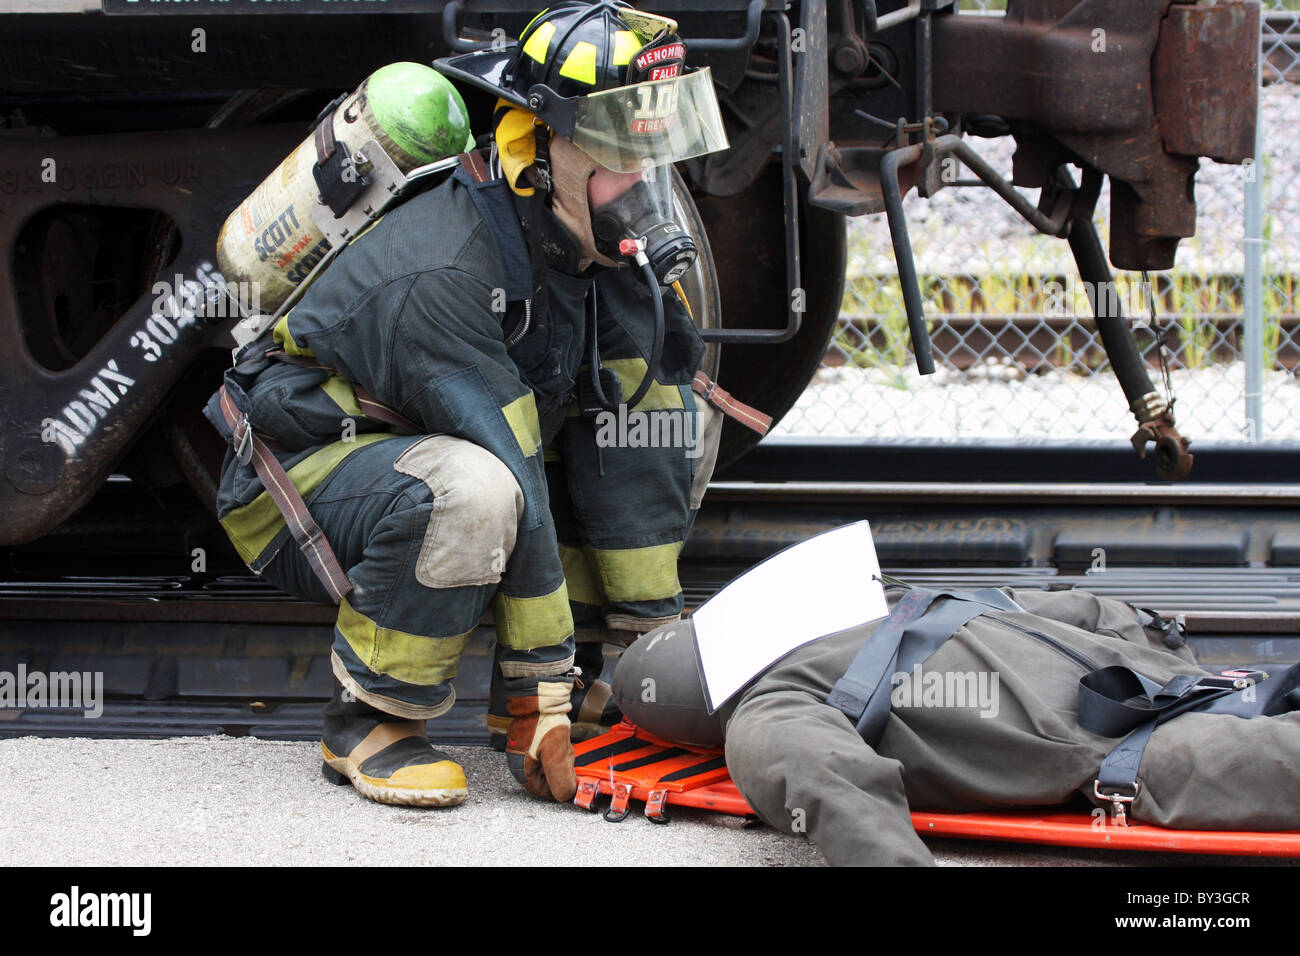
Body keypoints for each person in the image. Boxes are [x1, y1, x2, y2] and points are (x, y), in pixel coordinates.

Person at [204, 1, 751, 807]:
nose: (644, 180)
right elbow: (511, 461)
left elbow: (633, 455)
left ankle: (535, 697)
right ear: (545, 142)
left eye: (656, 146)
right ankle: (369, 719)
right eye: (619, 151)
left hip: (434, 444)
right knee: (480, 487)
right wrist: (544, 693)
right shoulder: (444, 268)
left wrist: (650, 655)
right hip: (302, 473)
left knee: (613, 421)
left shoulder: (586, 244)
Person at [612, 577, 1300, 865]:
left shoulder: (781, 700)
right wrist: (1169, 655)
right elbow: (1088, 609)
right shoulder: (914, 609)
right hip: (1184, 712)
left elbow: (825, 778)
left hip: (1171, 725)